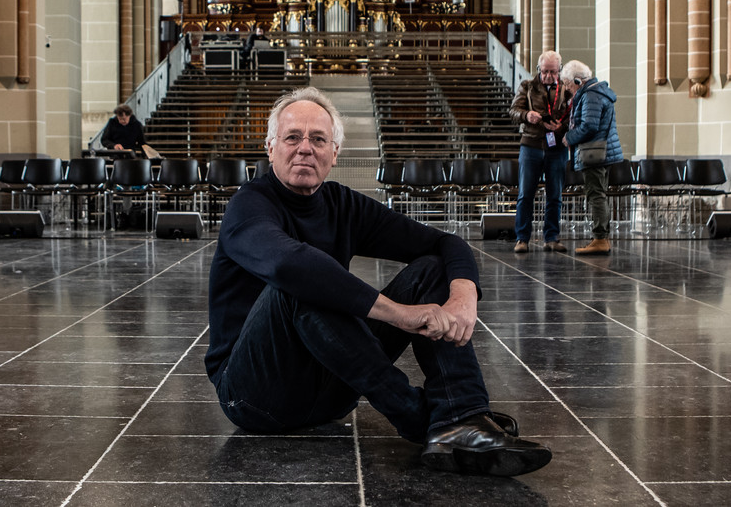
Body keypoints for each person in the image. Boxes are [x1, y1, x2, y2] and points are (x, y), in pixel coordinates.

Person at [206, 88, 553, 477]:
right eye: (292, 137)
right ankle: (421, 419)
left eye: (318, 139)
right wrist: (398, 315)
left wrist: (463, 295)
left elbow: (445, 243)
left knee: (432, 268)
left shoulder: (343, 205)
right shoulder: (248, 205)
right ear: (271, 148)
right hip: (254, 395)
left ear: (334, 154)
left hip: (330, 393)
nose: (305, 148)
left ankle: (461, 415)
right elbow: (291, 266)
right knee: (301, 283)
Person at [508, 50, 572, 254]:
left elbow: (573, 116)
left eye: (553, 72)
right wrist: (528, 115)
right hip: (531, 145)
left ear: (559, 70)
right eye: (545, 71)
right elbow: (513, 111)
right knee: (526, 194)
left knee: (555, 195)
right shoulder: (527, 86)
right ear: (538, 69)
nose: (548, 76)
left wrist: (560, 128)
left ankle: (551, 237)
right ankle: (522, 238)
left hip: (557, 148)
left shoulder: (566, 89)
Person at [560, 60, 623, 255]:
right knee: (599, 194)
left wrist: (569, 137)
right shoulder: (597, 92)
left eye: (569, 84)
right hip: (602, 151)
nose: (567, 89)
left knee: (596, 195)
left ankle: (600, 239)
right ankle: (601, 237)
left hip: (594, 153)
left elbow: (589, 126)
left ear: (578, 81)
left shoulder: (591, 95)